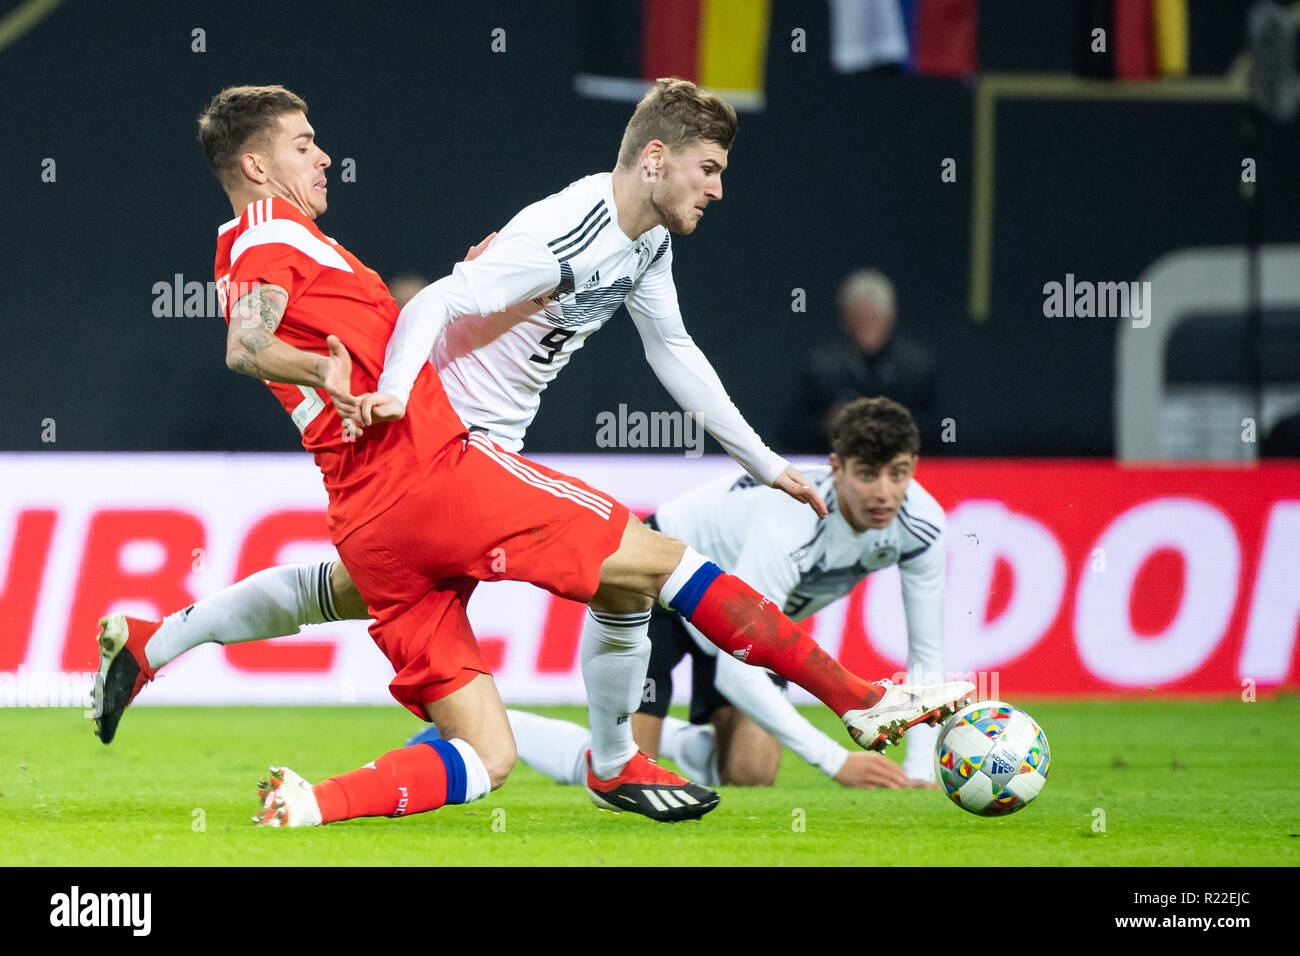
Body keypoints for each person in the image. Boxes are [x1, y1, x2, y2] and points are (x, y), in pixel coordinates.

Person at [93, 83, 972, 828]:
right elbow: (358, 319)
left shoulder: (639, 242)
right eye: (305, 144)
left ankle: (229, 720)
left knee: (464, 713)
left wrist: (765, 459)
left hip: (381, 500)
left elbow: (676, 354)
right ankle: (853, 698)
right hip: (442, 459)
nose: (325, 157)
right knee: (659, 565)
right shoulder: (278, 234)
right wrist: (382, 382)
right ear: (658, 157)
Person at [488, 397, 945, 791]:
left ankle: (688, 744)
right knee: (623, 769)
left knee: (751, 774)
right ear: (835, 467)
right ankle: (503, 728)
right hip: (662, 588)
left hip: (744, 615)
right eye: (867, 474)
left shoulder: (922, 525)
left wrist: (920, 769)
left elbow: (926, 650)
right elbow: (735, 669)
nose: (884, 493)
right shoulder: (788, 521)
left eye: (898, 474)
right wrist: (835, 760)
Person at [784, 270, 939, 455]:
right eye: (858, 317)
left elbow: (943, 429)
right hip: (836, 462)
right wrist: (828, 424)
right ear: (845, 318)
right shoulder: (821, 367)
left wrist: (896, 424)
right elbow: (790, 429)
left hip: (904, 463)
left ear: (890, 316)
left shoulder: (917, 366)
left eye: (873, 317)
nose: (865, 324)